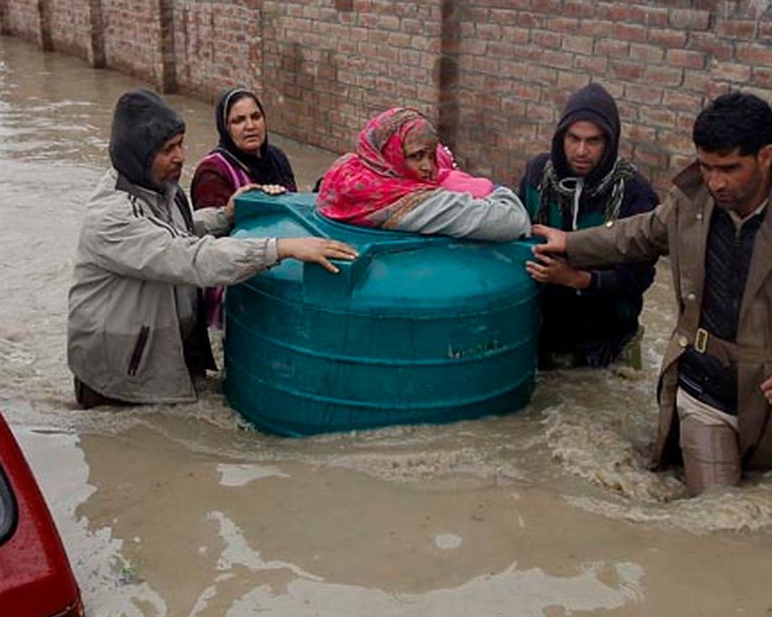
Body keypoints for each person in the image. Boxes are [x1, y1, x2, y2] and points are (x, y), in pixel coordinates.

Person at [531, 91, 772, 495]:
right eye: (706, 167)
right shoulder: (692, 199)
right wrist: (573, 243)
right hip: (701, 382)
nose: (715, 181)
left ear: (766, 157)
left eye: (729, 168)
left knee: (769, 493)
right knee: (718, 506)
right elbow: (642, 234)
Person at [68, 89, 357, 407]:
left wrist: (226, 215)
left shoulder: (160, 189)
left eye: (180, 144)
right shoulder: (114, 217)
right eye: (168, 149)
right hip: (121, 376)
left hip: (167, 351)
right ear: (138, 154)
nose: (181, 156)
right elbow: (190, 257)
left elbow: (178, 232)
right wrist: (280, 248)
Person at [519, 83, 659, 369]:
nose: (581, 151)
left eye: (593, 141)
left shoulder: (634, 192)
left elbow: (639, 276)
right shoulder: (537, 176)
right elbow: (518, 239)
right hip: (543, 334)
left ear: (610, 142)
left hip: (607, 340)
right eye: (573, 138)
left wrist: (576, 278)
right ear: (561, 138)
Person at [315, 107, 529, 242]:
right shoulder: (407, 200)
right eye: (416, 156)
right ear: (391, 154)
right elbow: (514, 221)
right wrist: (489, 189)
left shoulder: (345, 170)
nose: (429, 167)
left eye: (432, 155)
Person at [189, 88, 298, 212]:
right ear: (225, 128)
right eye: (239, 121)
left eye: (256, 117)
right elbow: (209, 226)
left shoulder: (277, 159)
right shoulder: (212, 172)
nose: (250, 126)